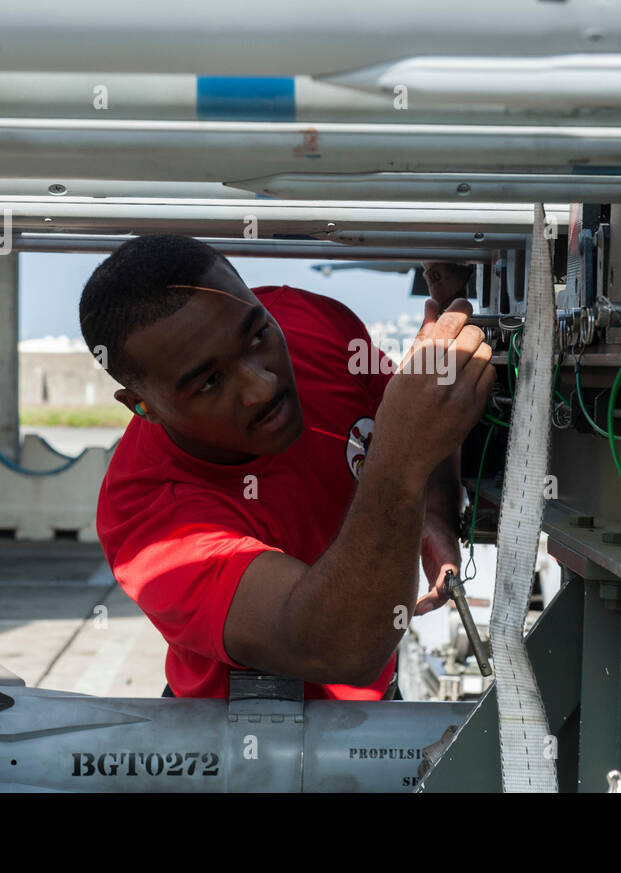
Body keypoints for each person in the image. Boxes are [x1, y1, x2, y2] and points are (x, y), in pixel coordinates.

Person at [79, 235, 489, 700]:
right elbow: (340, 649)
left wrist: (434, 515)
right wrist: (398, 465)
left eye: (257, 336)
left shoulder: (312, 321)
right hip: (234, 746)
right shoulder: (148, 517)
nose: (262, 386)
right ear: (142, 407)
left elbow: (423, 406)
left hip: (377, 703)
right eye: (210, 382)